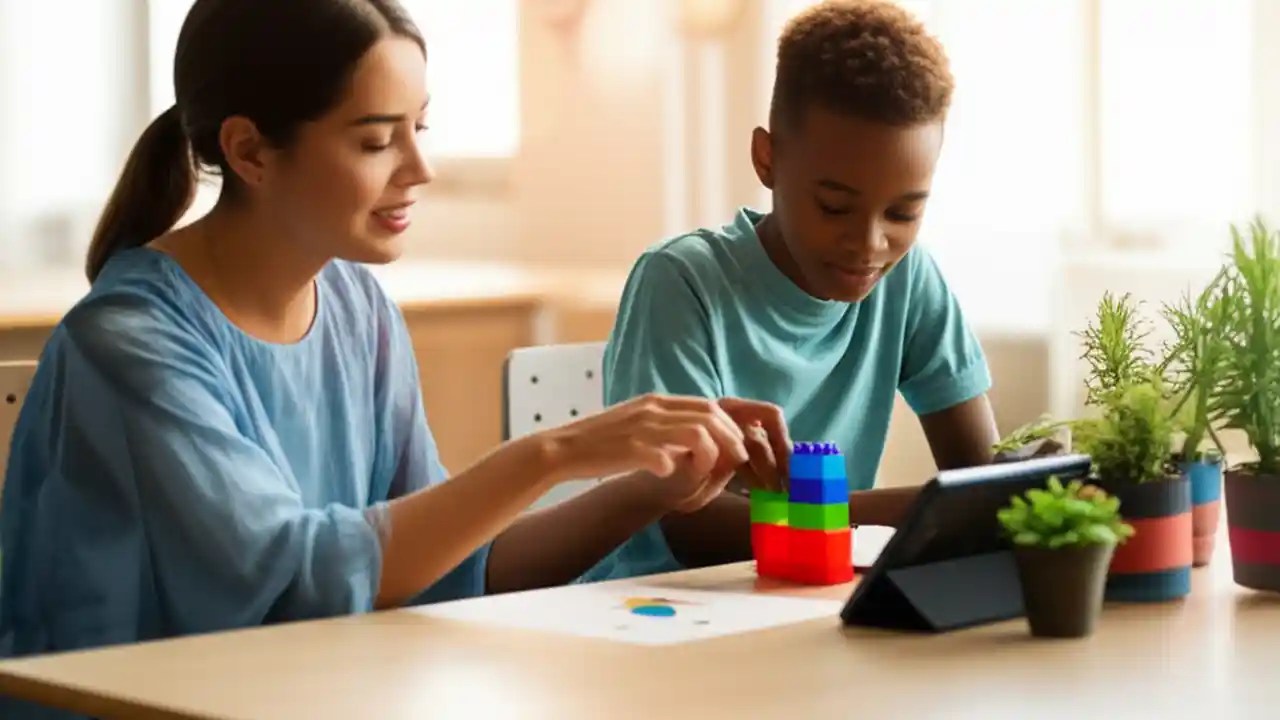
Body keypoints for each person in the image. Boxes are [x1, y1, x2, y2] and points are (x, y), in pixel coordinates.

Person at [0, 0, 792, 680]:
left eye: (420, 127)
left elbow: (444, 569)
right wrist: (556, 452)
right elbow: (298, 578)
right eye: (377, 140)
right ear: (248, 151)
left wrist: (644, 489)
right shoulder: (130, 341)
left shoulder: (357, 309)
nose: (422, 167)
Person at [587, 0, 1000, 579]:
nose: (869, 243)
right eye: (834, 207)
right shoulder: (681, 283)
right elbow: (685, 525)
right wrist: (913, 512)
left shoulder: (908, 279)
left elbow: (980, 474)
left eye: (904, 213)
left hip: (809, 602)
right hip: (659, 609)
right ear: (767, 159)